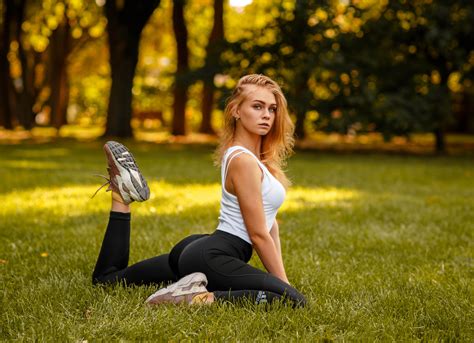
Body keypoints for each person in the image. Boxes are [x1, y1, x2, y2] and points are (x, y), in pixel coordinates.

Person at [92, 74, 307, 307]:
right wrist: (285, 287)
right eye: (257, 106)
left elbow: (270, 223)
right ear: (236, 110)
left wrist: (281, 278)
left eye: (272, 109)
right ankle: (195, 297)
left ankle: (120, 198)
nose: (267, 115)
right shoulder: (243, 161)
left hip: (199, 249)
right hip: (213, 257)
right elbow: (257, 235)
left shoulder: (253, 160)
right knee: (292, 301)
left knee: (107, 280)